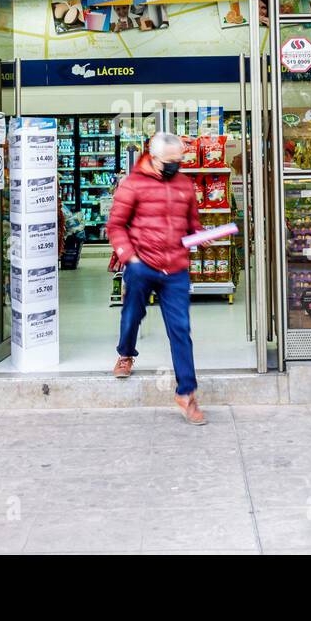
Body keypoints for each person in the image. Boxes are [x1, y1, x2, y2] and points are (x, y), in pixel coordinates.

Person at [106, 132, 207, 425]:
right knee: (132, 315)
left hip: (175, 268)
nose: (177, 166)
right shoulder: (133, 184)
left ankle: (186, 393)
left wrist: (199, 236)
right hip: (142, 265)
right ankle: (125, 353)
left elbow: (192, 224)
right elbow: (115, 226)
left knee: (180, 329)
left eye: (180, 160)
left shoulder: (185, 185)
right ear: (154, 157)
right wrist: (130, 258)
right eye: (171, 161)